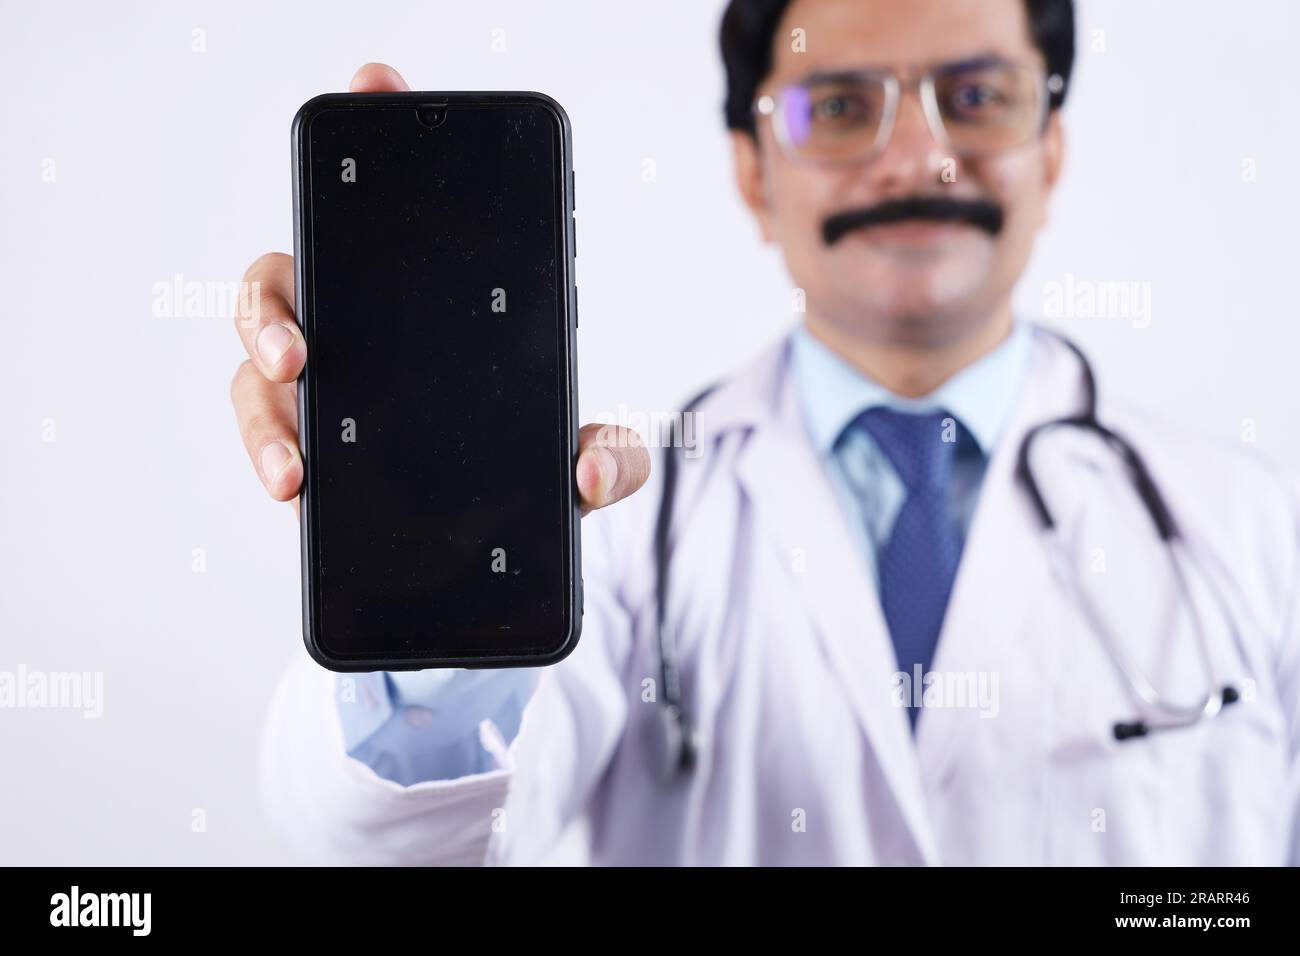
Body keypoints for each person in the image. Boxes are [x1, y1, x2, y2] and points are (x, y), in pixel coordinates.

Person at [230, 0, 1300, 865]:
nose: (917, 158)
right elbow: (367, 834)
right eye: (839, 106)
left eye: (976, 97)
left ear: (1050, 150)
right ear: (753, 170)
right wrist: (428, 528)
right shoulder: (606, 519)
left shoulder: (1251, 530)